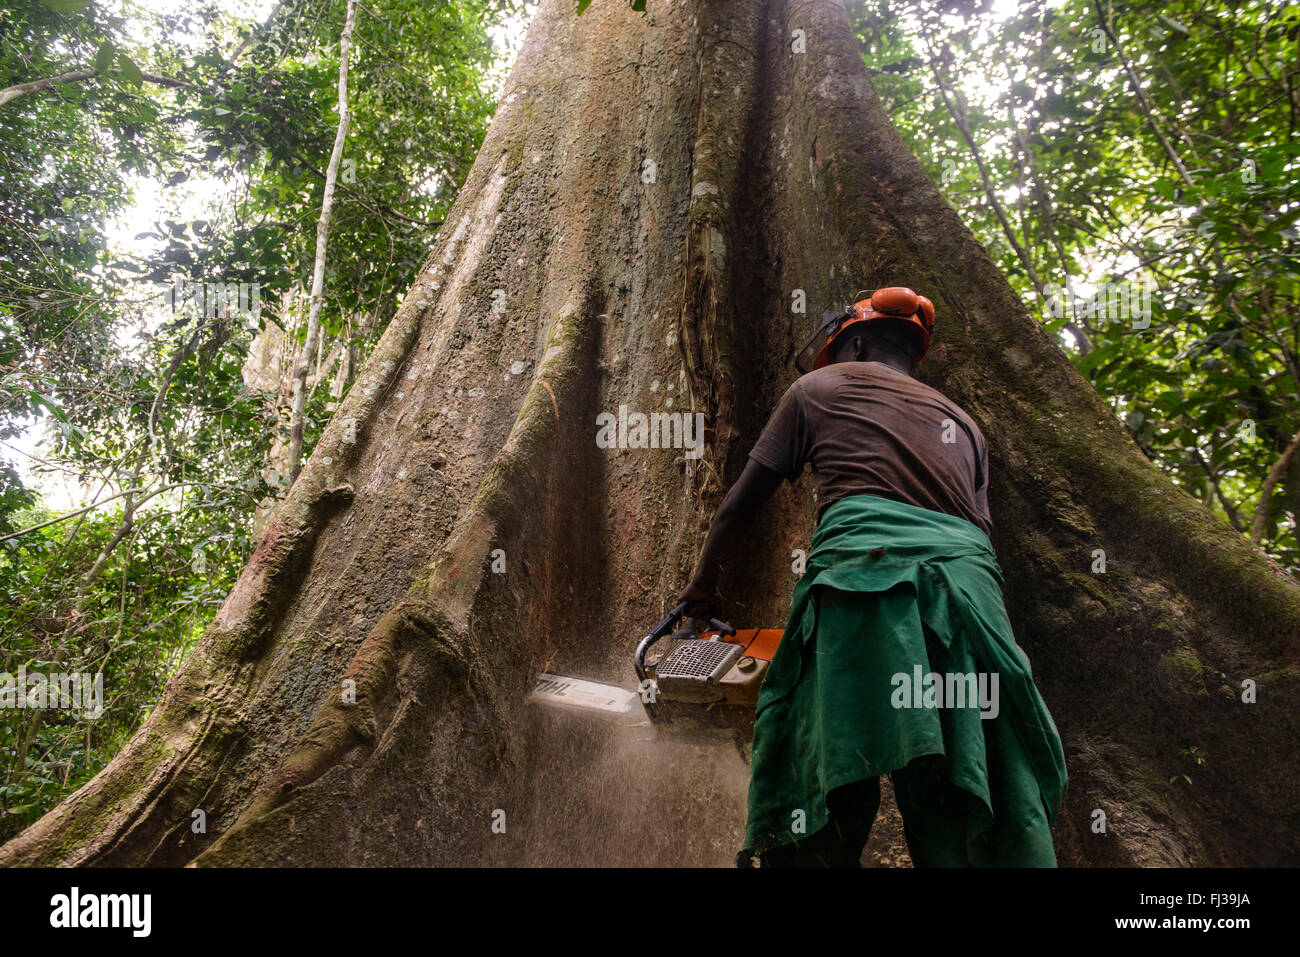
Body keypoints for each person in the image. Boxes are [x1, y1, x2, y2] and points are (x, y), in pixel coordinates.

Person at [676, 287, 1067, 868]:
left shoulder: (815, 389)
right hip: (969, 608)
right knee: (961, 787)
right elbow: (974, 534)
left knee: (822, 772)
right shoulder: (966, 426)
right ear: (911, 354)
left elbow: (738, 508)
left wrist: (700, 594)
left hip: (863, 587)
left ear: (854, 343)